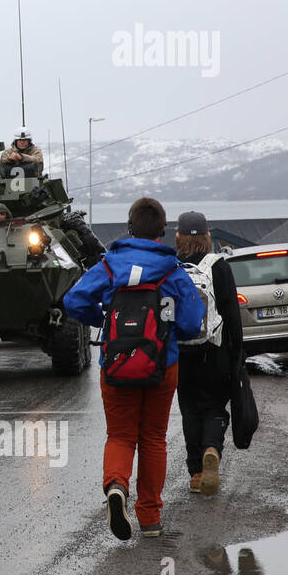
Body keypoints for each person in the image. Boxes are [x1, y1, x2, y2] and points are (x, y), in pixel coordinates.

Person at [62, 197, 204, 540]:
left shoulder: (109, 266)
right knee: (153, 438)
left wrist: (105, 321)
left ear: (129, 228)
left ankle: (116, 487)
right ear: (162, 232)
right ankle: (150, 518)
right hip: (162, 364)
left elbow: (73, 300)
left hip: (116, 365)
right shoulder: (172, 271)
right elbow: (192, 319)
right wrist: (169, 332)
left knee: (121, 435)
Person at [173, 211, 244, 496]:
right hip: (215, 351)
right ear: (208, 238)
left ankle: (195, 474)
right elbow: (232, 316)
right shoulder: (220, 267)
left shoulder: (172, 268)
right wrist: (237, 354)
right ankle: (212, 448)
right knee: (214, 406)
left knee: (189, 410)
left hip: (181, 353)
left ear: (178, 237)